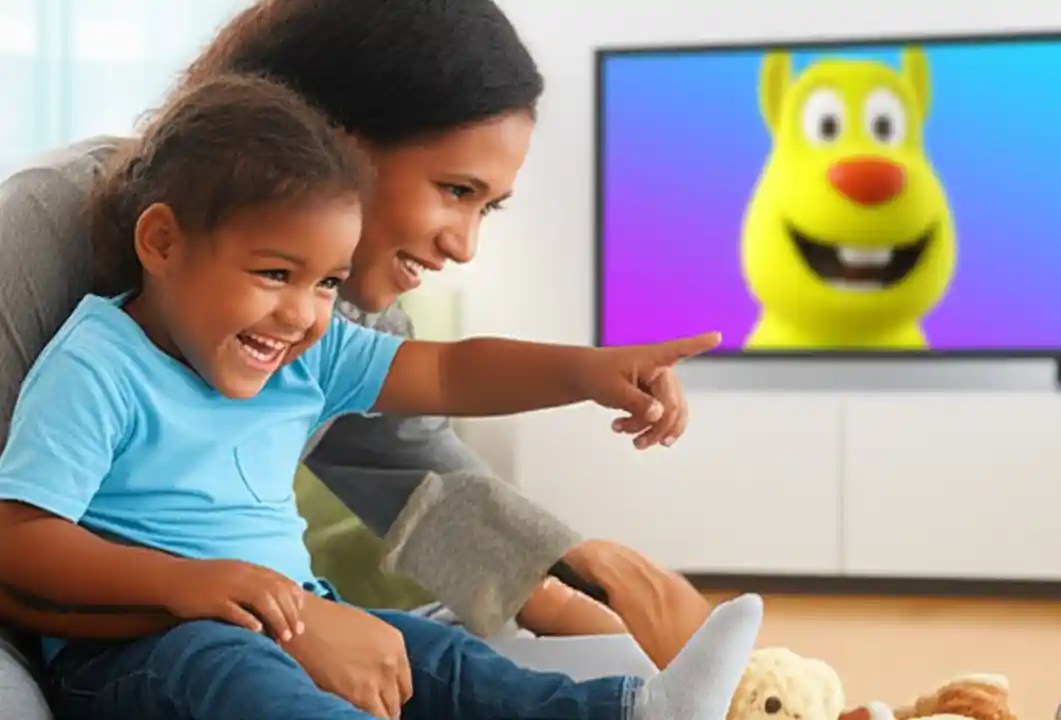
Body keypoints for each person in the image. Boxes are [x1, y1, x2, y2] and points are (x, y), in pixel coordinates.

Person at [0, 1, 712, 716]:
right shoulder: (53, 255)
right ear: (332, 138)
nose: (465, 246)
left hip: (252, 615)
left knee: (445, 659)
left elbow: (415, 431)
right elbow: (17, 537)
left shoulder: (315, 323)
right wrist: (270, 618)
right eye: (455, 190)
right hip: (96, 635)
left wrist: (558, 581)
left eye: (486, 208)